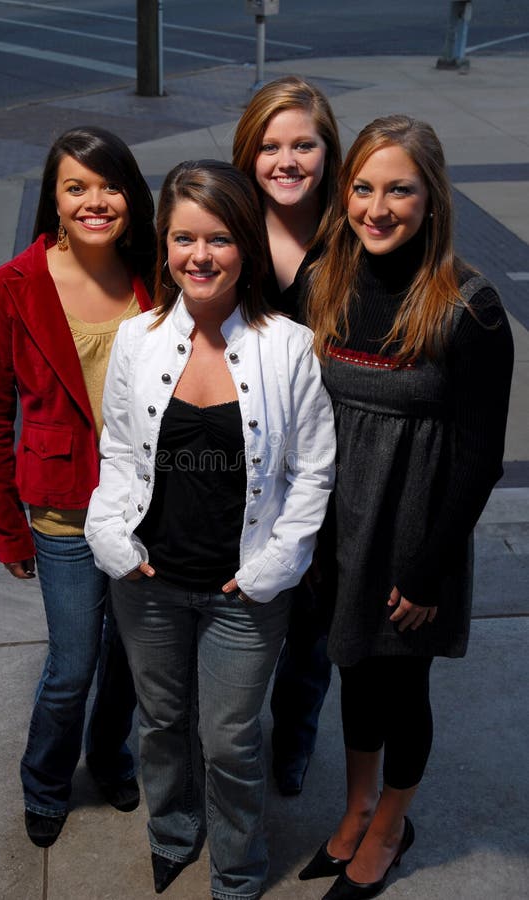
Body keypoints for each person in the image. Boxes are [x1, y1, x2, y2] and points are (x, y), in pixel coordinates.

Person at [85, 159, 336, 899]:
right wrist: (112, 542)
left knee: (230, 740)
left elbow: (313, 473)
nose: (200, 255)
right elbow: (119, 451)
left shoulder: (289, 346)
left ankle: (238, 866)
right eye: (184, 238)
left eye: (219, 238)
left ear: (246, 248)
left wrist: (271, 569)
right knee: (161, 723)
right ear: (164, 246)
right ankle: (172, 832)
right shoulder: (136, 339)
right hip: (149, 581)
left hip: (244, 591)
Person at [298, 115, 514, 899]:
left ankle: (391, 825)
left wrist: (426, 573)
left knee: (402, 687)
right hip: (337, 528)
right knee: (352, 669)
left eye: (400, 189)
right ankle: (356, 808)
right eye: (362, 187)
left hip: (416, 536)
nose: (377, 207)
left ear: (432, 198)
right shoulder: (324, 278)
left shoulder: (470, 308)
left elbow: (480, 457)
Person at [0, 125, 157, 848]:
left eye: (108, 185)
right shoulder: (10, 288)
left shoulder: (153, 272)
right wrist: (5, 525)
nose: (95, 200)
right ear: (53, 199)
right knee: (74, 663)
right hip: (61, 511)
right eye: (76, 187)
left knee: (130, 661)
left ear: (130, 195)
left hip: (144, 507)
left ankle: (110, 755)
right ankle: (45, 780)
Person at [233, 74, 342, 795]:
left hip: (331, 463)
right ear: (249, 153)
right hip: (240, 462)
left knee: (315, 628)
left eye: (304, 143)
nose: (287, 160)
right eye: (271, 145)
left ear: (329, 151)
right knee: (238, 616)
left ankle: (295, 736)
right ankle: (227, 736)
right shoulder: (230, 224)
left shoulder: (352, 235)